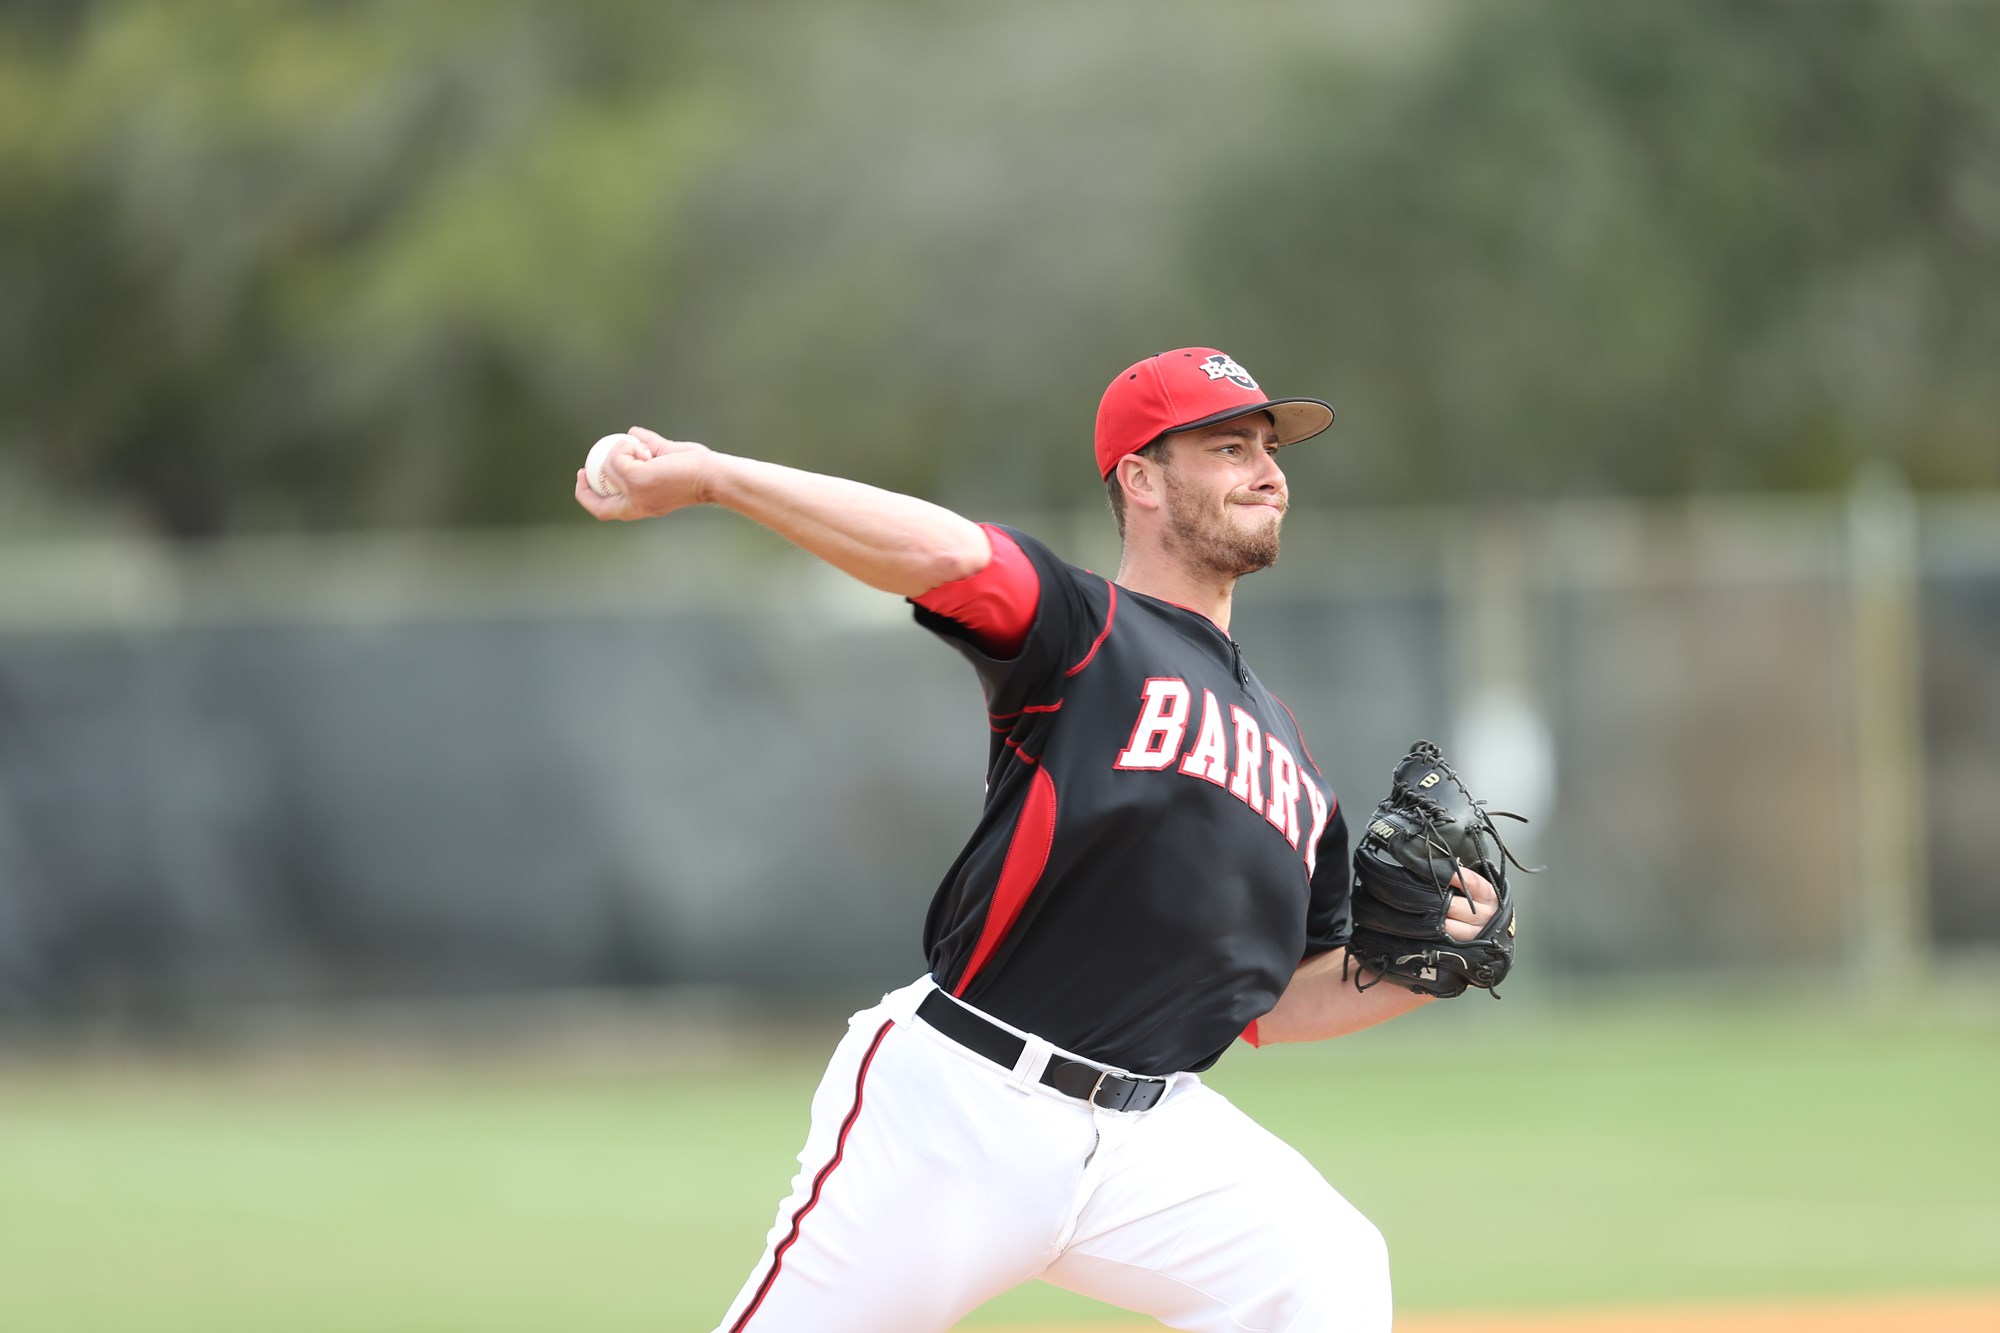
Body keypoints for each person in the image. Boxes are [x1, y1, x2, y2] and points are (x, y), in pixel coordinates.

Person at [574, 348, 1500, 1332]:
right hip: (963, 1108)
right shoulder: (1084, 629)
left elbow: (1267, 999)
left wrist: (1421, 967)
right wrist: (718, 475)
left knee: (1322, 1264)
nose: (1268, 472)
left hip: (1149, 1138)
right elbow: (948, 557)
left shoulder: (1289, 752)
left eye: (1268, 451)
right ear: (1139, 479)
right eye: (1229, 448)